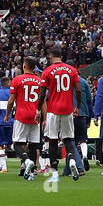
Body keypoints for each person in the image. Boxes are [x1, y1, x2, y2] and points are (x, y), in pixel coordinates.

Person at [38, 47, 83, 184]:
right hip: (68, 109)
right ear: (61, 56)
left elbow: (42, 93)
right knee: (68, 139)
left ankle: (54, 169)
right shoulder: (72, 70)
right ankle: (72, 163)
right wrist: (78, 106)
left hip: (53, 109)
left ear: (52, 57)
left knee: (52, 139)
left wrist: (39, 109)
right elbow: (78, 90)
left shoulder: (47, 71)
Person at [7, 57, 44, 180]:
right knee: (33, 144)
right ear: (34, 68)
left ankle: (26, 161)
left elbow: (11, 100)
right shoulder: (39, 81)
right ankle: (31, 172)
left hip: (21, 115)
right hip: (35, 116)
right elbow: (43, 102)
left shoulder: (17, 80)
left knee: (17, 143)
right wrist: (45, 118)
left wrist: (7, 114)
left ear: (24, 66)